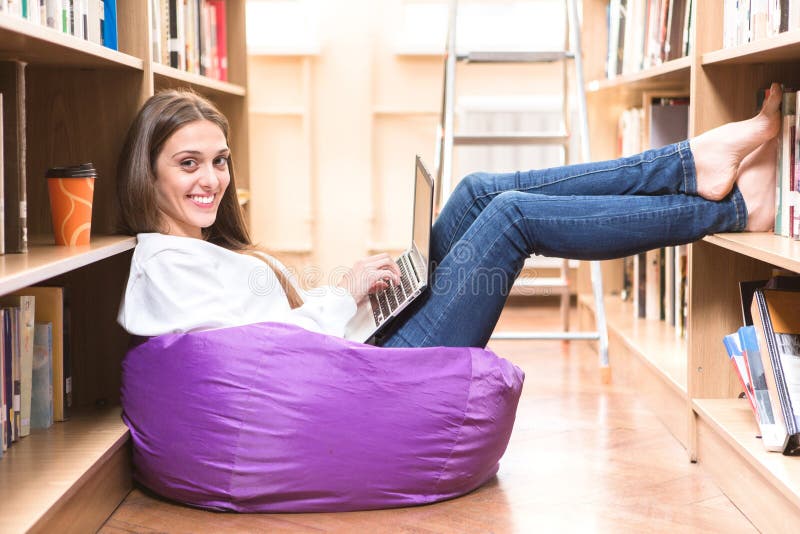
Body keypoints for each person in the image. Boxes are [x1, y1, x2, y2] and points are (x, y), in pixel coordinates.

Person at [116, 85, 782, 348]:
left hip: (354, 341)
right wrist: (340, 299)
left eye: (219, 160)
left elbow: (264, 327)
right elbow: (257, 354)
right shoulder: (166, 270)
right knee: (514, 215)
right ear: (149, 172)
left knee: (474, 190)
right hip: (370, 370)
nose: (212, 181)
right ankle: (726, 211)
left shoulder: (192, 251)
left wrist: (343, 295)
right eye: (188, 164)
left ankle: (690, 164)